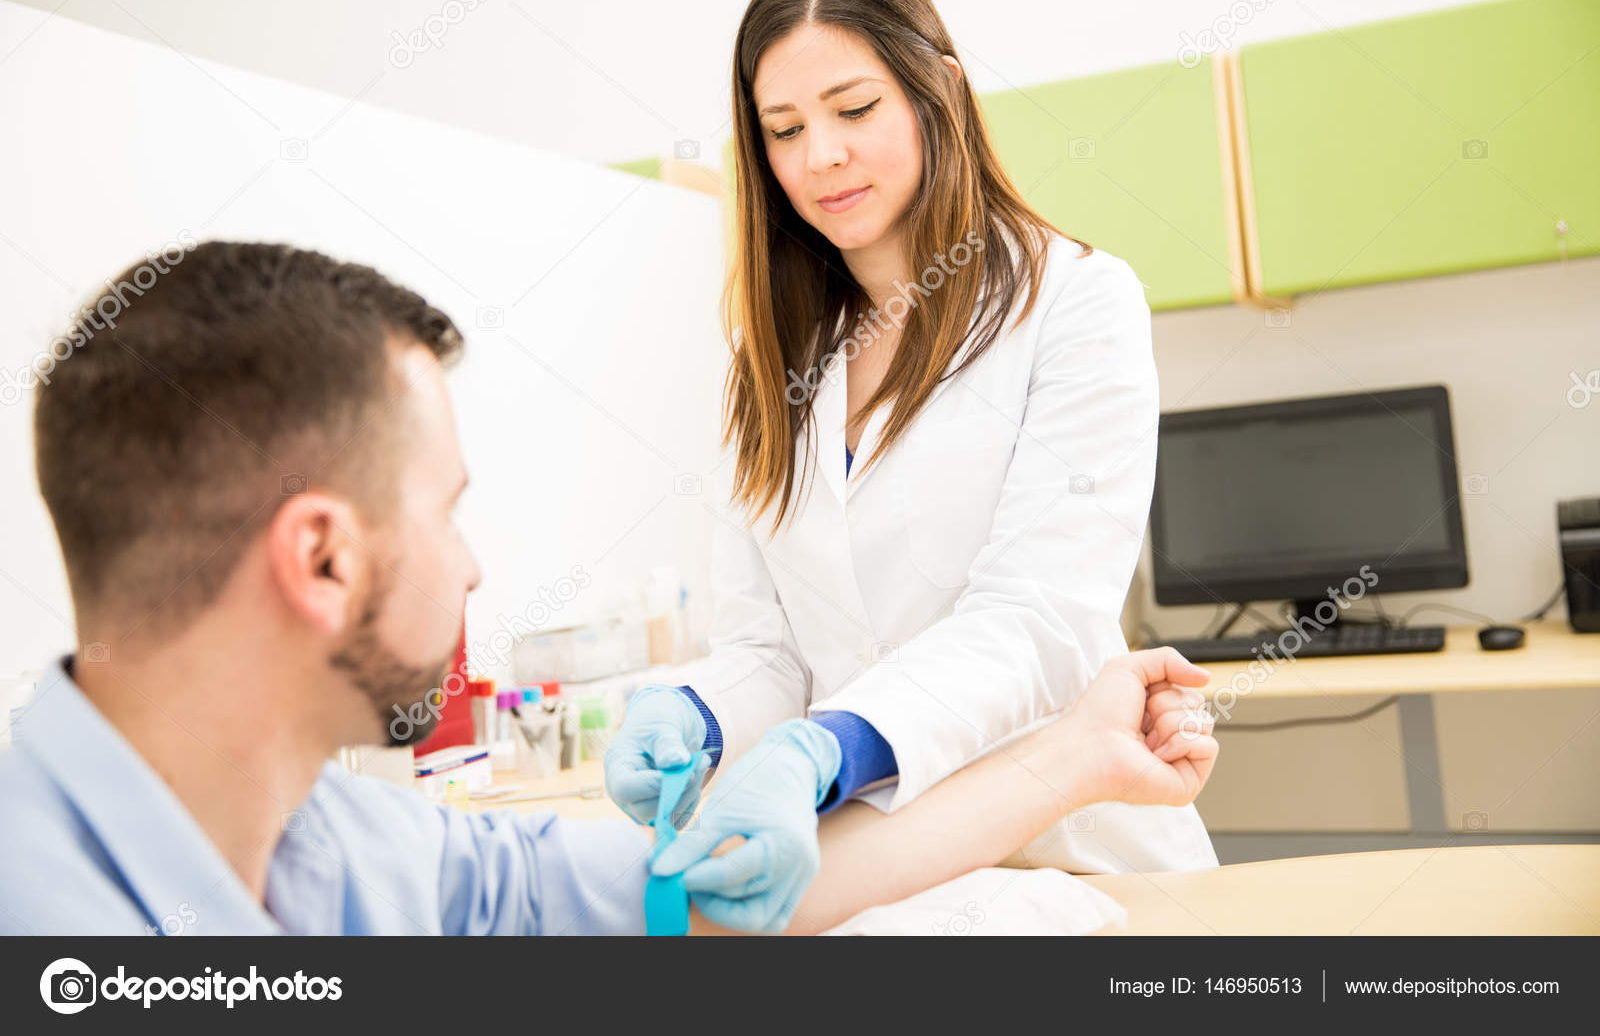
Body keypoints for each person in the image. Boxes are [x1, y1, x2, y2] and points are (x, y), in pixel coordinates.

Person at [0, 241, 1216, 936]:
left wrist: (1076, 758)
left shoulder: (355, 845)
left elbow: (711, 899)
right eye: (446, 509)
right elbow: (767, 645)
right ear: (322, 560)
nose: (473, 565)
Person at [606, 0, 1218, 932]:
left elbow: (1035, 620)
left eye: (854, 110)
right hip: (877, 858)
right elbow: (769, 647)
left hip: (1069, 847)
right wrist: (696, 714)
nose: (819, 157)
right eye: (783, 129)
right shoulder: (770, 357)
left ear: (939, 90)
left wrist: (831, 746)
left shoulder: (1074, 304)